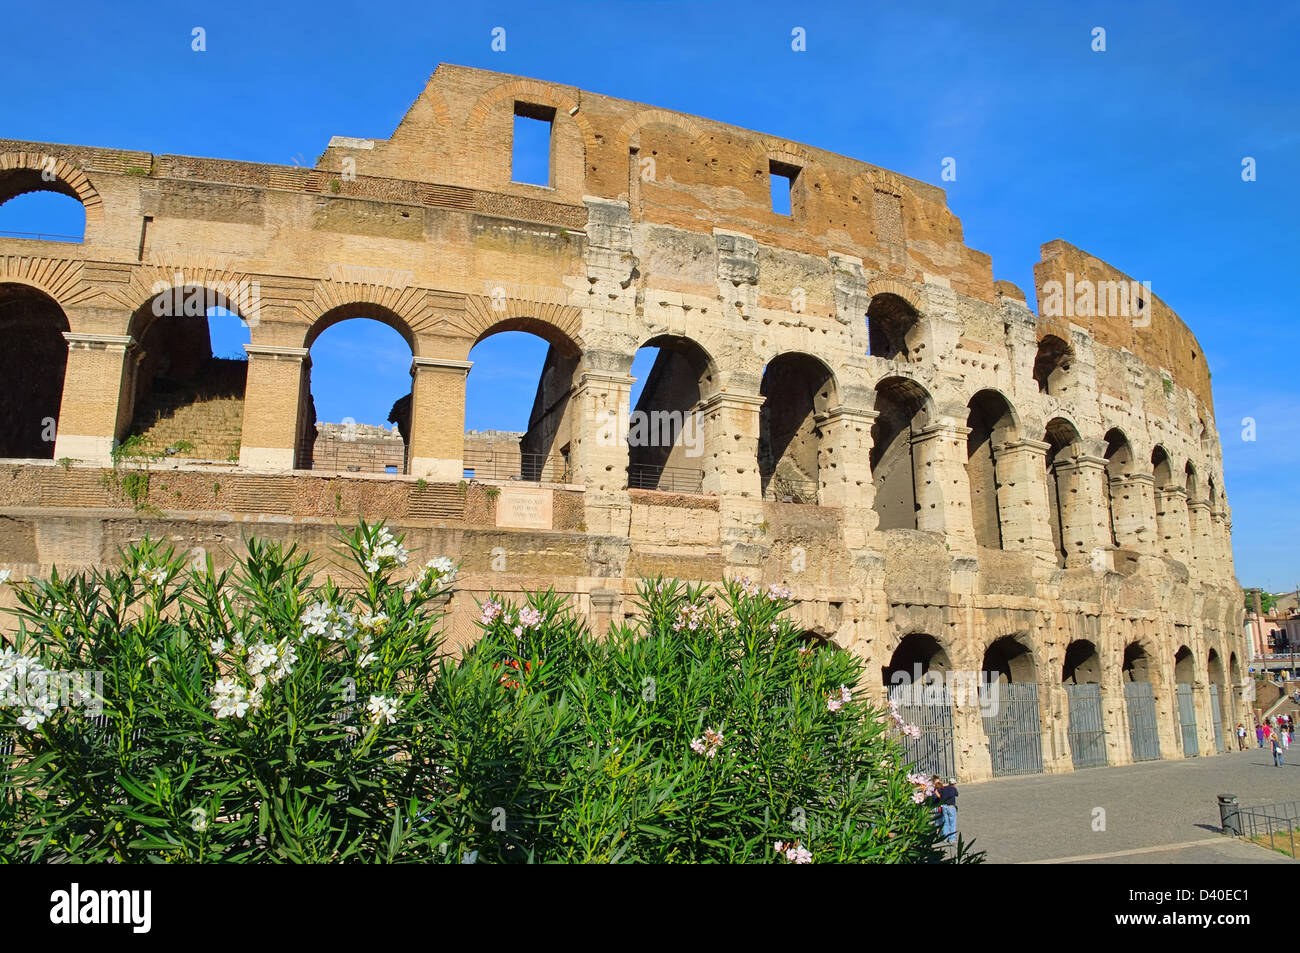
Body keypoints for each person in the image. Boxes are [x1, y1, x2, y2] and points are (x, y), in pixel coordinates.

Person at [935, 777, 959, 843]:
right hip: (951, 807)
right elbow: (957, 794)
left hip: (944, 806)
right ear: (954, 784)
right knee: (952, 823)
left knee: (945, 823)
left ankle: (944, 838)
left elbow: (937, 792)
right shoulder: (954, 789)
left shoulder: (944, 788)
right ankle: (951, 838)